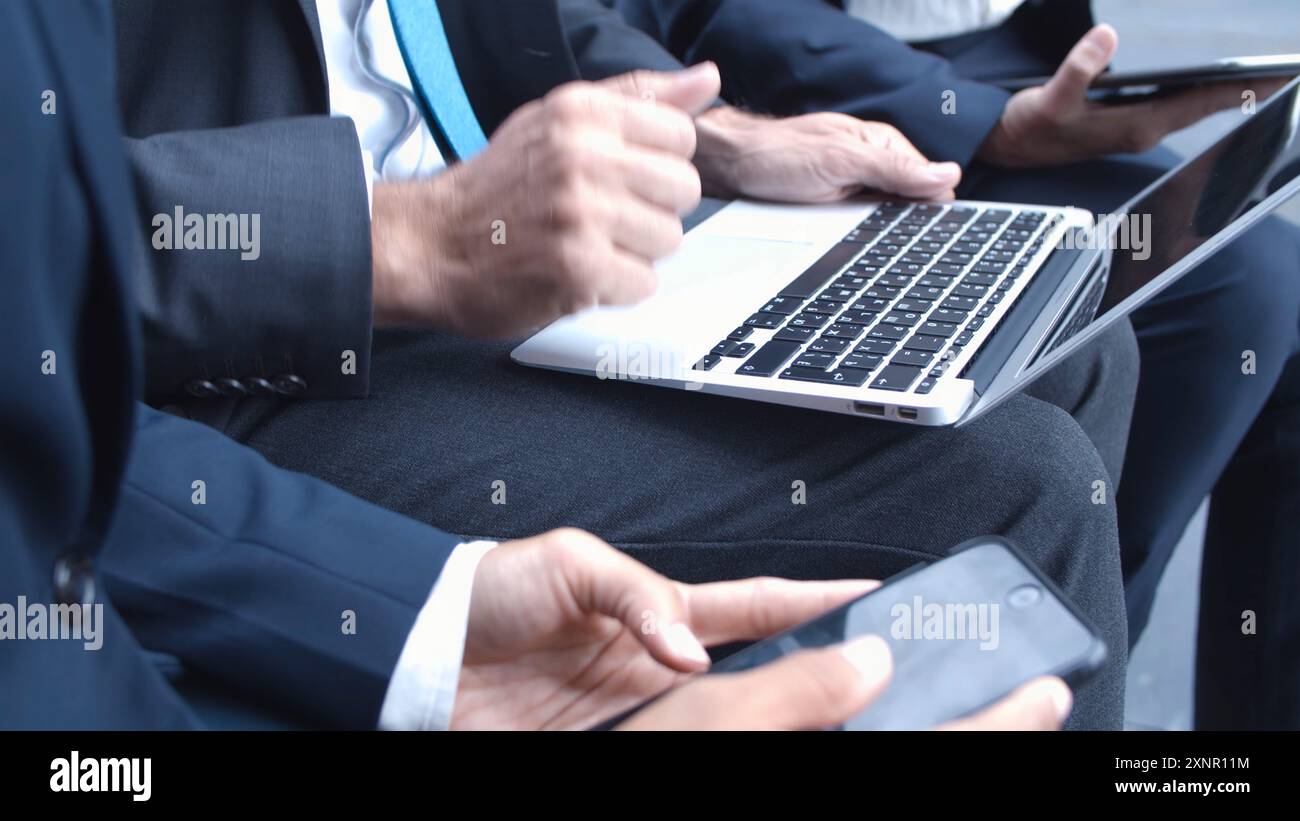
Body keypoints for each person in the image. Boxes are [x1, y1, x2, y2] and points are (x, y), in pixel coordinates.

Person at [0, 0, 1078, 732]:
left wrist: (711, 136)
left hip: (528, 228)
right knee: (1015, 467)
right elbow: (36, 212)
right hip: (255, 348)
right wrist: (410, 238)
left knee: (1068, 342)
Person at [607, 0, 1300, 729]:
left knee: (1259, 291)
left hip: (1011, 52)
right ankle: (1072, 655)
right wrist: (977, 119)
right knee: (1053, 460)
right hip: (811, 60)